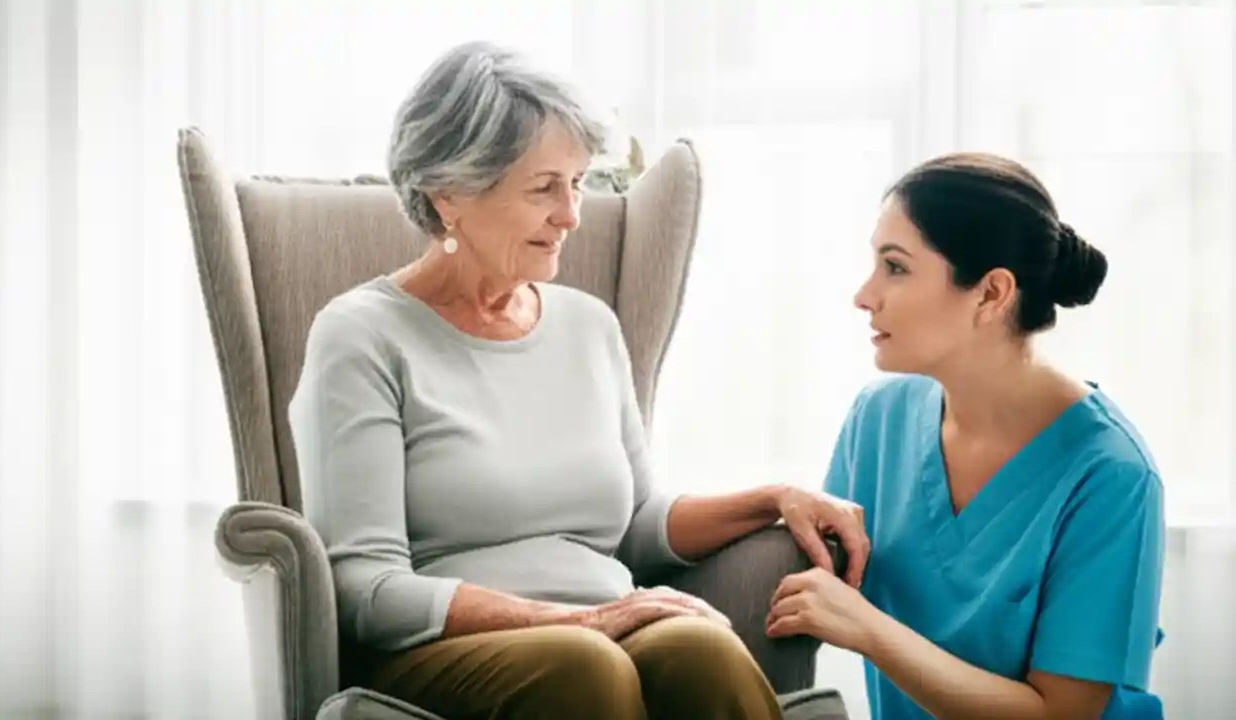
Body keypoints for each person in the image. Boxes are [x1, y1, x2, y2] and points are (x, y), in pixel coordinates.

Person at [288, 42, 867, 720]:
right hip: (445, 650)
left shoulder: (588, 326)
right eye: (544, 188)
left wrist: (773, 496)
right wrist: (571, 622)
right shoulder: (361, 336)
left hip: (605, 619)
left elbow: (636, 525)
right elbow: (366, 587)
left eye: (579, 182)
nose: (573, 214)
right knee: (588, 667)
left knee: (703, 650)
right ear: (450, 194)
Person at [764, 153, 1166, 719]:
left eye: (895, 267)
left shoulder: (1111, 475)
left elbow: (1062, 713)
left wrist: (870, 631)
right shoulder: (878, 420)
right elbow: (811, 578)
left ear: (991, 294)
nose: (864, 294)